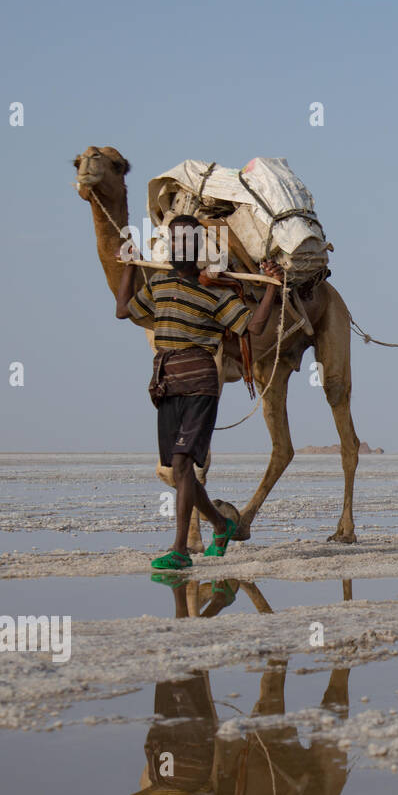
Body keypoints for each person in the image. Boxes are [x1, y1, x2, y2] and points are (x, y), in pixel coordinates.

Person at [115, 215, 282, 569]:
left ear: (196, 249)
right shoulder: (158, 285)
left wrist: (271, 289)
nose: (178, 246)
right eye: (173, 240)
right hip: (166, 384)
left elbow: (252, 326)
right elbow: (123, 310)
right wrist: (129, 266)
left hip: (200, 384)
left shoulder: (215, 294)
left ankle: (179, 550)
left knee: (182, 463)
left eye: (185, 241)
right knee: (179, 473)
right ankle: (221, 525)